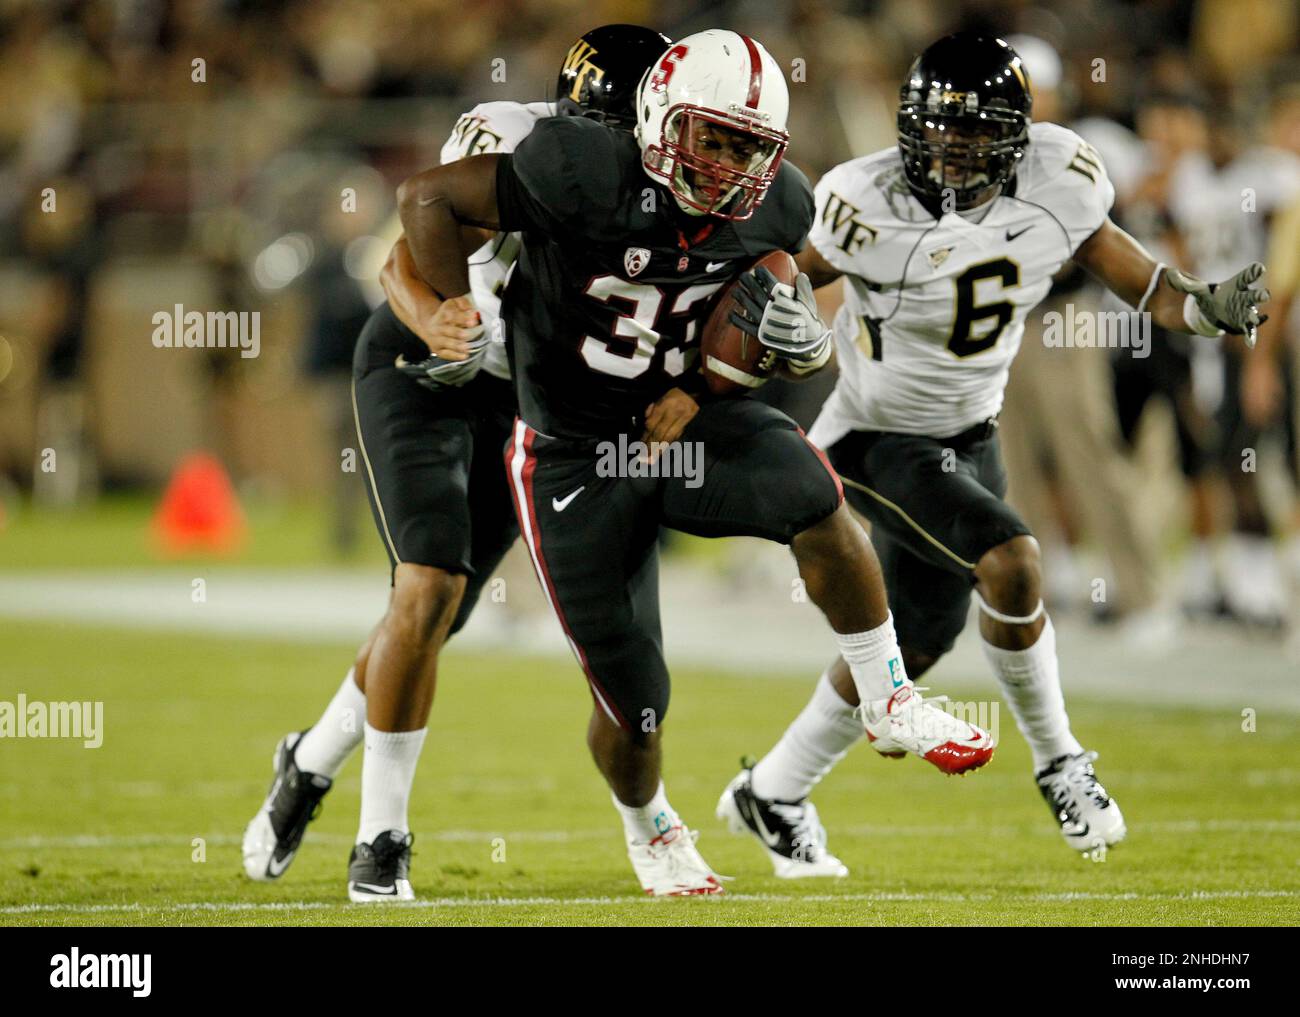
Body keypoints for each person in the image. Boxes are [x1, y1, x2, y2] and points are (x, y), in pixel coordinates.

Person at [395, 29, 995, 896]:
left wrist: (795, 342)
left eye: (747, 145)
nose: (724, 163)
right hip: (572, 453)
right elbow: (424, 197)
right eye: (710, 136)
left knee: (812, 494)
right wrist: (451, 308)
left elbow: (794, 298)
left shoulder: (779, 205)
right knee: (636, 703)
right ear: (656, 118)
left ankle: (887, 694)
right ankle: (651, 827)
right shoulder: (576, 169)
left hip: (688, 426)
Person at [723, 34, 1270, 876]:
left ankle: (776, 789)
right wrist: (780, 324)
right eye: (934, 132)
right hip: (878, 436)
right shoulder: (863, 197)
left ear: (1017, 136)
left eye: (970, 137)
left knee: (919, 634)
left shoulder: (1062, 176)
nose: (946, 154)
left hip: (969, 433)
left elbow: (1142, 281)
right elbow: (782, 277)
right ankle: (1062, 762)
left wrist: (1204, 308)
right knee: (1012, 562)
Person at [241, 24, 672, 903]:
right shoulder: (518, 142)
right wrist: (436, 314)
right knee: (427, 585)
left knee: (438, 615)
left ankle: (312, 757)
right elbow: (404, 252)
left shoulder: (679, 189)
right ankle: (381, 840)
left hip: (531, 404)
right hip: (429, 371)